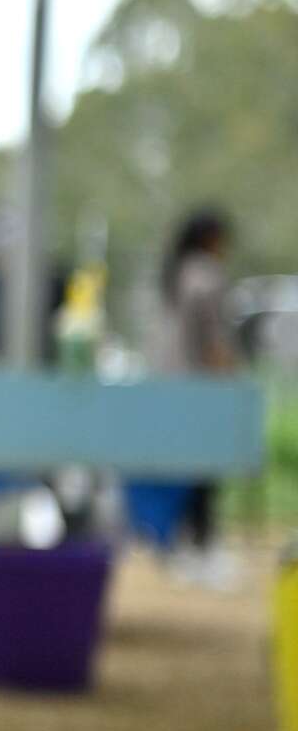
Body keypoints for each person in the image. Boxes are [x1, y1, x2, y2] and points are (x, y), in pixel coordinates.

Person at [150, 209, 238, 567]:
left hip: (169, 383)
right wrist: (230, 377)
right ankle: (202, 544)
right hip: (200, 386)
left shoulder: (176, 273)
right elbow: (213, 339)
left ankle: (177, 543)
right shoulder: (206, 275)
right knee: (203, 470)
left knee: (180, 467)